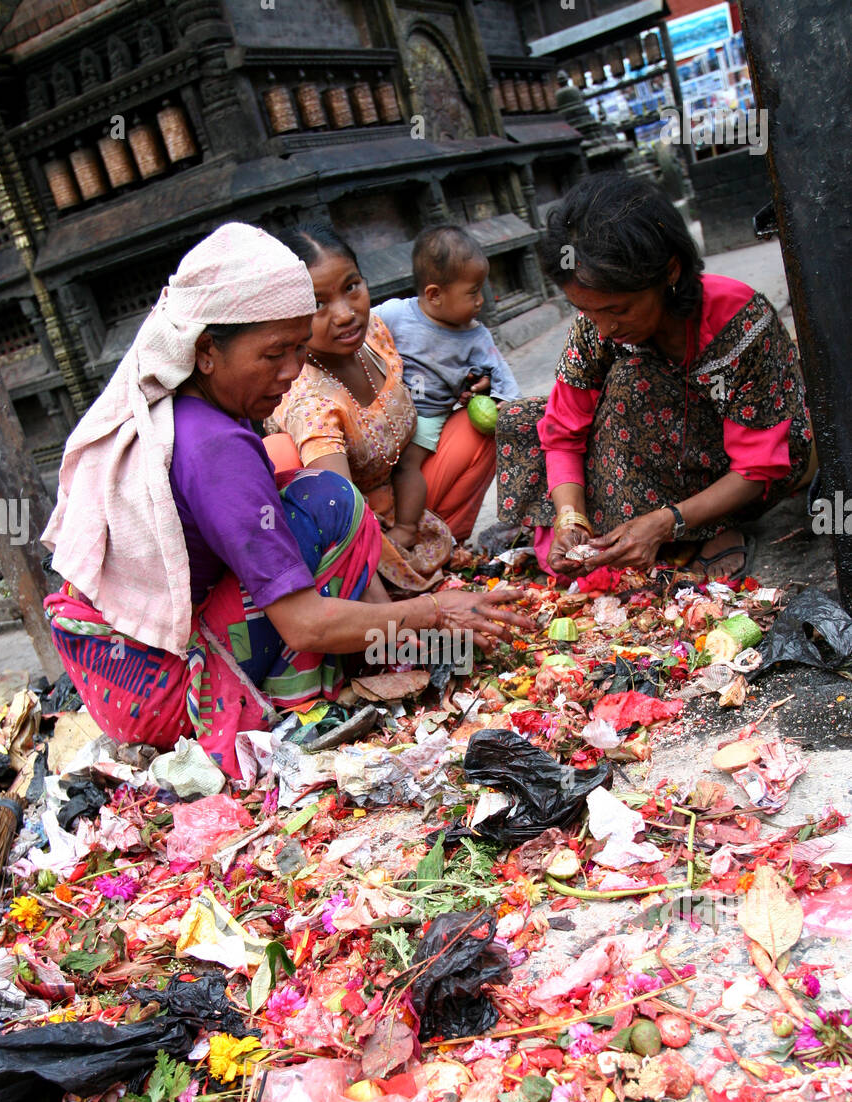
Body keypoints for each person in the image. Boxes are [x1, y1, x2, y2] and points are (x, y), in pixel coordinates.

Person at [42, 223, 533, 777]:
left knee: (297, 482)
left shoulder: (185, 408)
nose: (291, 371)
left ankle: (374, 648)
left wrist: (401, 624)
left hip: (116, 680)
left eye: (301, 349)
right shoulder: (215, 447)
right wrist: (435, 612)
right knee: (329, 499)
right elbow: (303, 624)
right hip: (166, 692)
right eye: (275, 353)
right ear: (206, 351)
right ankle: (294, 694)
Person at [495, 174, 814, 580]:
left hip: (741, 475)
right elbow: (561, 431)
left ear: (670, 272)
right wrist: (569, 516)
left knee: (634, 382)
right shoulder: (596, 325)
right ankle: (626, 529)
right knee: (519, 421)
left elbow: (756, 468)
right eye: (587, 310)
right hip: (646, 457)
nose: (604, 328)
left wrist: (667, 521)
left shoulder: (740, 323)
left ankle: (701, 531)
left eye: (618, 310)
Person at [265, 225, 498, 593]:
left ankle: (450, 547)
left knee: (481, 430)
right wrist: (391, 628)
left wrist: (468, 382)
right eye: (318, 303)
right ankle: (389, 587)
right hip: (362, 532)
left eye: (351, 287)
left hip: (407, 490)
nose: (344, 314)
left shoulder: (374, 329)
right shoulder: (309, 399)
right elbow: (339, 518)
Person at [374, 224, 519, 477]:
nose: (481, 300)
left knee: (408, 467)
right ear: (434, 295)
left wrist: (508, 400)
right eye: (473, 293)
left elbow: (499, 370)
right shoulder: (396, 314)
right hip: (391, 408)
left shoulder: (475, 335)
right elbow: (363, 325)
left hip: (429, 415)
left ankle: (408, 517)